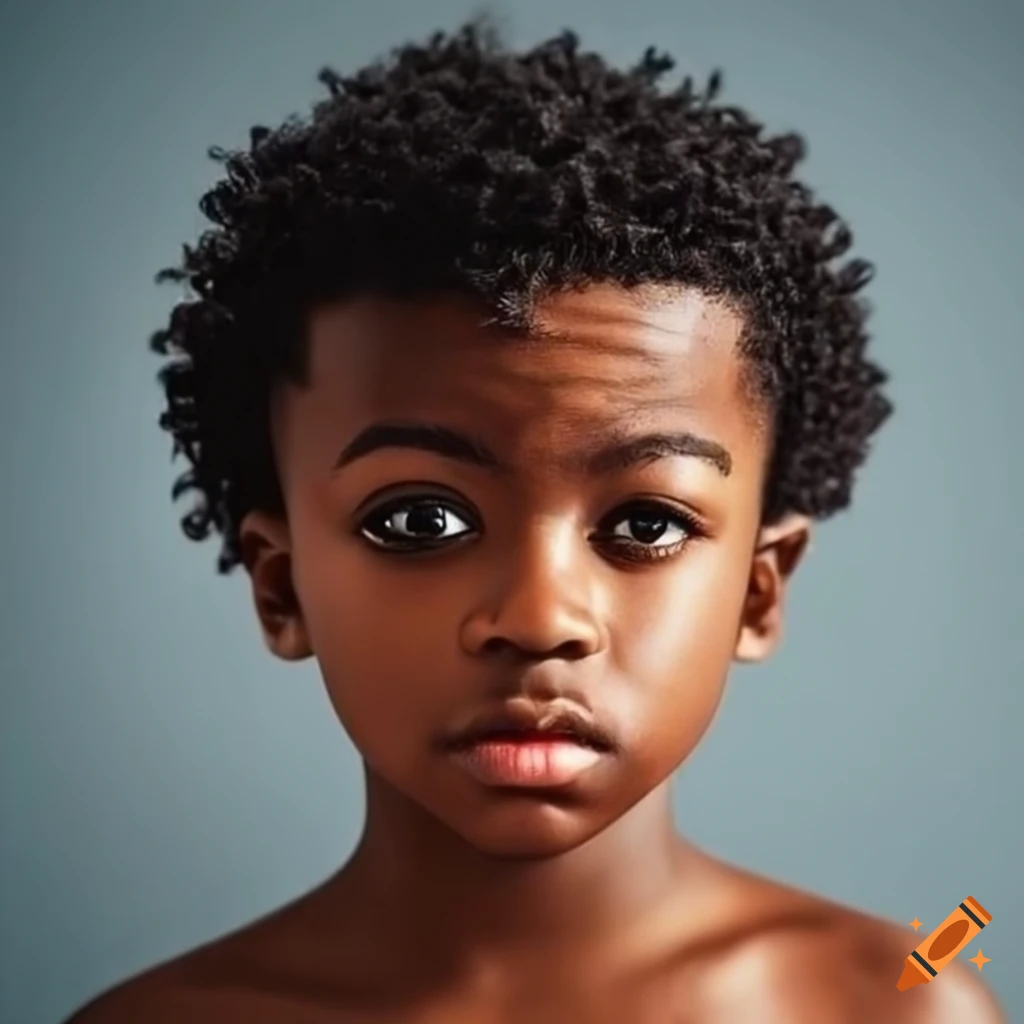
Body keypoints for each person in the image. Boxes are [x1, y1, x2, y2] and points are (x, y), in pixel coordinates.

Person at [67, 18, 1005, 1023]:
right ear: (281, 584)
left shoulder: (894, 1003)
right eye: (419, 519)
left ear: (759, 588)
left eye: (645, 524)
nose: (537, 614)